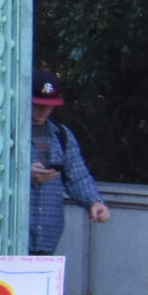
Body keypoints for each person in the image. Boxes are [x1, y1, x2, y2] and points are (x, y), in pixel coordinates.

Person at [28, 73, 111, 257]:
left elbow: (78, 176)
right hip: (8, 235)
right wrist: (22, 175)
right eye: (38, 105)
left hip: (47, 237)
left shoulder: (61, 135)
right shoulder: (5, 132)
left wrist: (95, 202)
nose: (44, 111)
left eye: (49, 106)